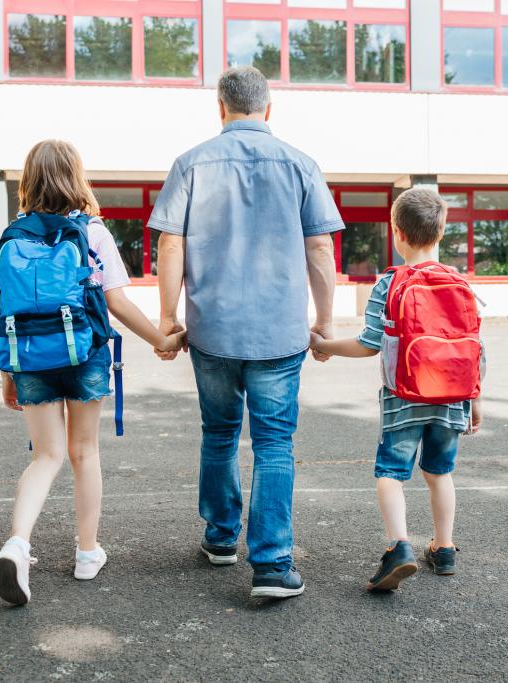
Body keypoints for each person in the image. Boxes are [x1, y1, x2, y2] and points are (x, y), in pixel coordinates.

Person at [148, 67, 343, 599]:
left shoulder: (191, 163)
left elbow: (170, 244)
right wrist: (323, 323)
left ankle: (219, 538)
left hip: (212, 330)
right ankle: (274, 564)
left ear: (220, 108)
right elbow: (321, 248)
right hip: (279, 334)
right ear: (269, 108)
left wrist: (168, 319)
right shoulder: (302, 165)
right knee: (274, 443)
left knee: (219, 433)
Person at [0, 140, 186, 606]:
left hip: (30, 359)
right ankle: (86, 552)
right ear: (77, 177)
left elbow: (0, 312)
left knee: (46, 456)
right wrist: (162, 339)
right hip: (85, 354)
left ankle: (17, 544)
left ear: (28, 180)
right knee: (84, 452)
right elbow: (118, 301)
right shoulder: (93, 232)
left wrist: (8, 374)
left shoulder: (12, 236)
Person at [310, 188, 483, 592]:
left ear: (397, 234)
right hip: (453, 398)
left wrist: (323, 346)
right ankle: (444, 548)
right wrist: (475, 401)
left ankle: (399, 547)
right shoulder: (461, 284)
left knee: (391, 473)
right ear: (441, 234)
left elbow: (369, 343)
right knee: (440, 473)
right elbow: (477, 349)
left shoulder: (389, 283)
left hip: (403, 398)